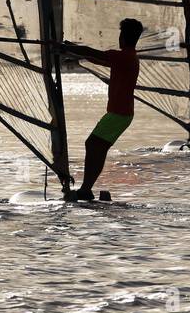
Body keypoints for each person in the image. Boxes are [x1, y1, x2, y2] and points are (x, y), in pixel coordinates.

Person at [59, 18, 143, 201]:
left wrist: (71, 48)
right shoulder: (126, 57)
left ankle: (86, 189)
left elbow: (94, 53)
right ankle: (86, 189)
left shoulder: (125, 57)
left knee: (92, 144)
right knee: (97, 147)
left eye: (120, 33)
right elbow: (96, 58)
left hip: (118, 115)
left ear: (124, 36)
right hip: (120, 114)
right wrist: (72, 49)